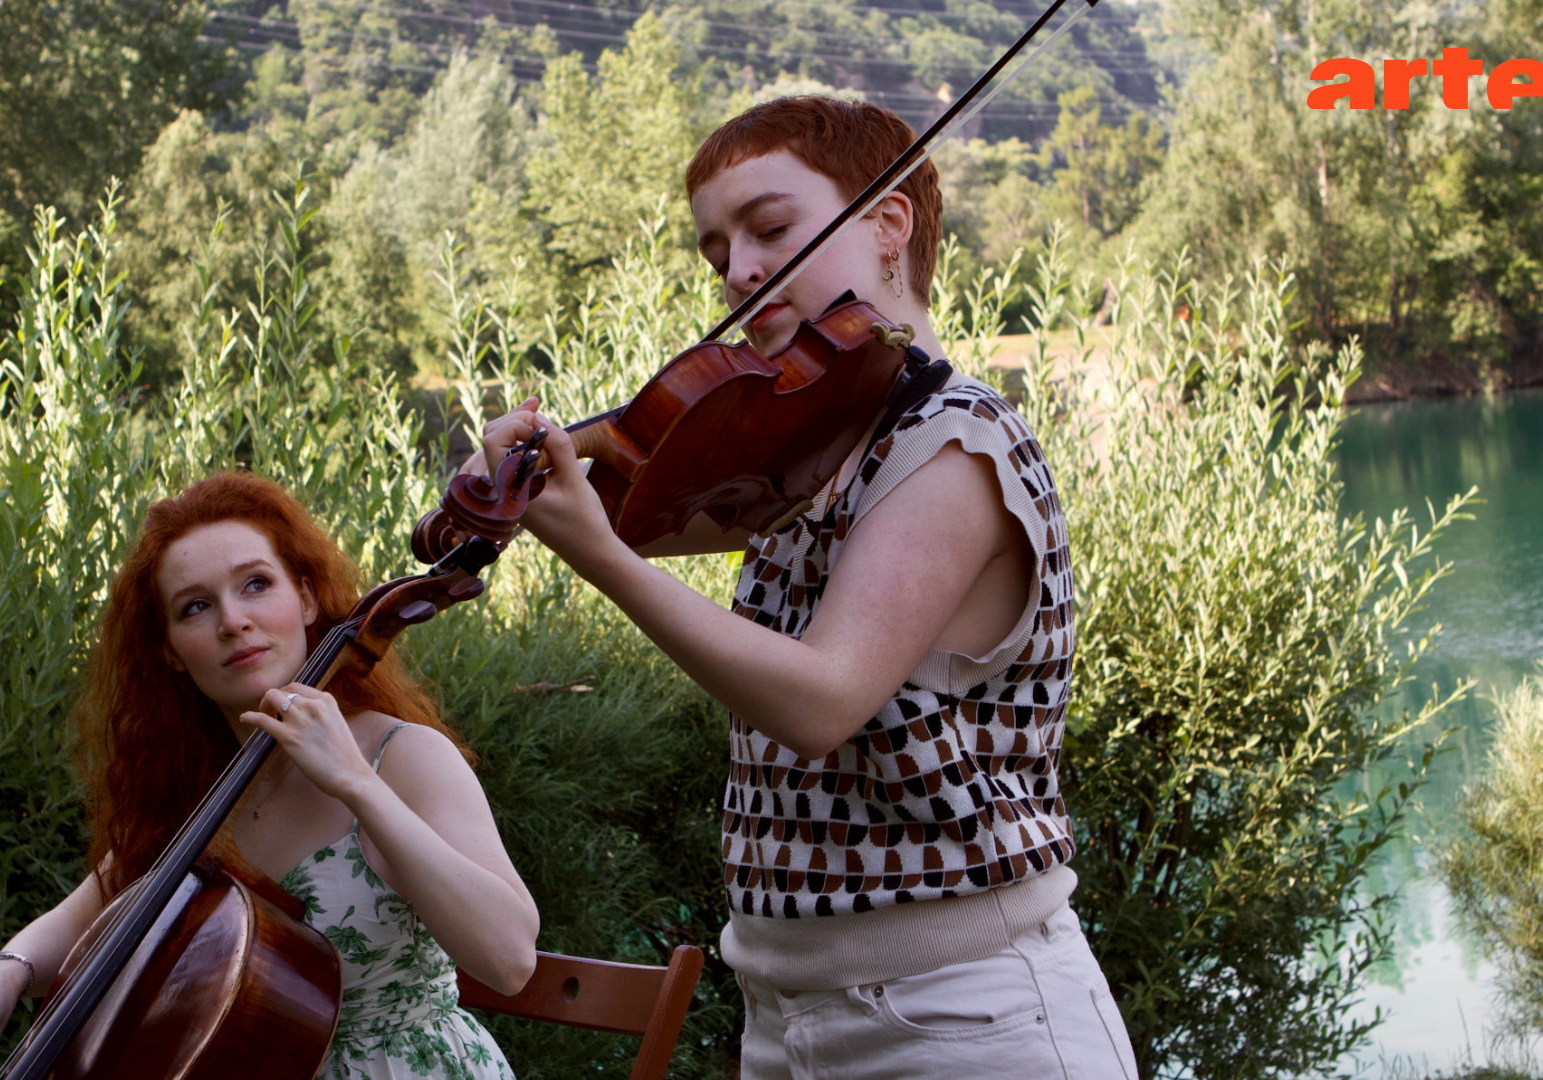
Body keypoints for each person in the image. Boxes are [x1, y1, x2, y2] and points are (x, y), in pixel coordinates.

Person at [472, 97, 1138, 1078]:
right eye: (717, 252)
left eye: (771, 229)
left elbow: (821, 699)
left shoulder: (954, 440)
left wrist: (597, 552)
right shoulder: (818, 452)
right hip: (788, 1015)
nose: (739, 272)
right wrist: (529, 472)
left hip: (964, 1017)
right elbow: (640, 507)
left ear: (889, 224)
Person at [0, 472, 538, 1080]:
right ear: (171, 651)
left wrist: (357, 784)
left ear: (306, 598)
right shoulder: (199, 791)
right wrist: (2, 972)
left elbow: (509, 959)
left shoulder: (401, 756)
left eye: (256, 584)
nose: (232, 621)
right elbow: (87, 917)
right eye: (196, 606)